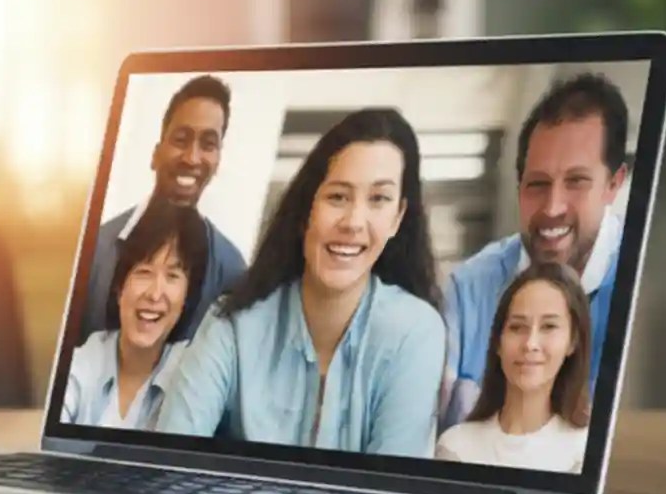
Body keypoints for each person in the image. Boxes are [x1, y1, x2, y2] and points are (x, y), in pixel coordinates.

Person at [156, 108, 444, 457]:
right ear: (306, 209)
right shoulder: (232, 324)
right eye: (338, 196)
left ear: (398, 218)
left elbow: (392, 484)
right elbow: (168, 460)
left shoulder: (416, 332)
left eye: (379, 199)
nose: (354, 222)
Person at [441, 73, 629, 432]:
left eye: (576, 181)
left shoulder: (637, 283)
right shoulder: (468, 290)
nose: (553, 207)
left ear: (613, 184)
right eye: (537, 184)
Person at [80, 75, 247, 343]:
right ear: (156, 154)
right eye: (181, 139)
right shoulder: (94, 250)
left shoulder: (230, 270)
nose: (192, 158)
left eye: (208, 144)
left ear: (217, 161)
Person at [62, 199, 209, 429]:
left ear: (187, 298)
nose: (155, 294)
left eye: (172, 276)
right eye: (144, 272)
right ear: (119, 287)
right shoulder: (83, 363)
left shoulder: (192, 374)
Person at [436, 262, 591, 472]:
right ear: (498, 342)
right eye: (517, 327)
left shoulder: (584, 452)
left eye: (549, 326)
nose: (530, 344)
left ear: (572, 342)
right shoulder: (456, 447)